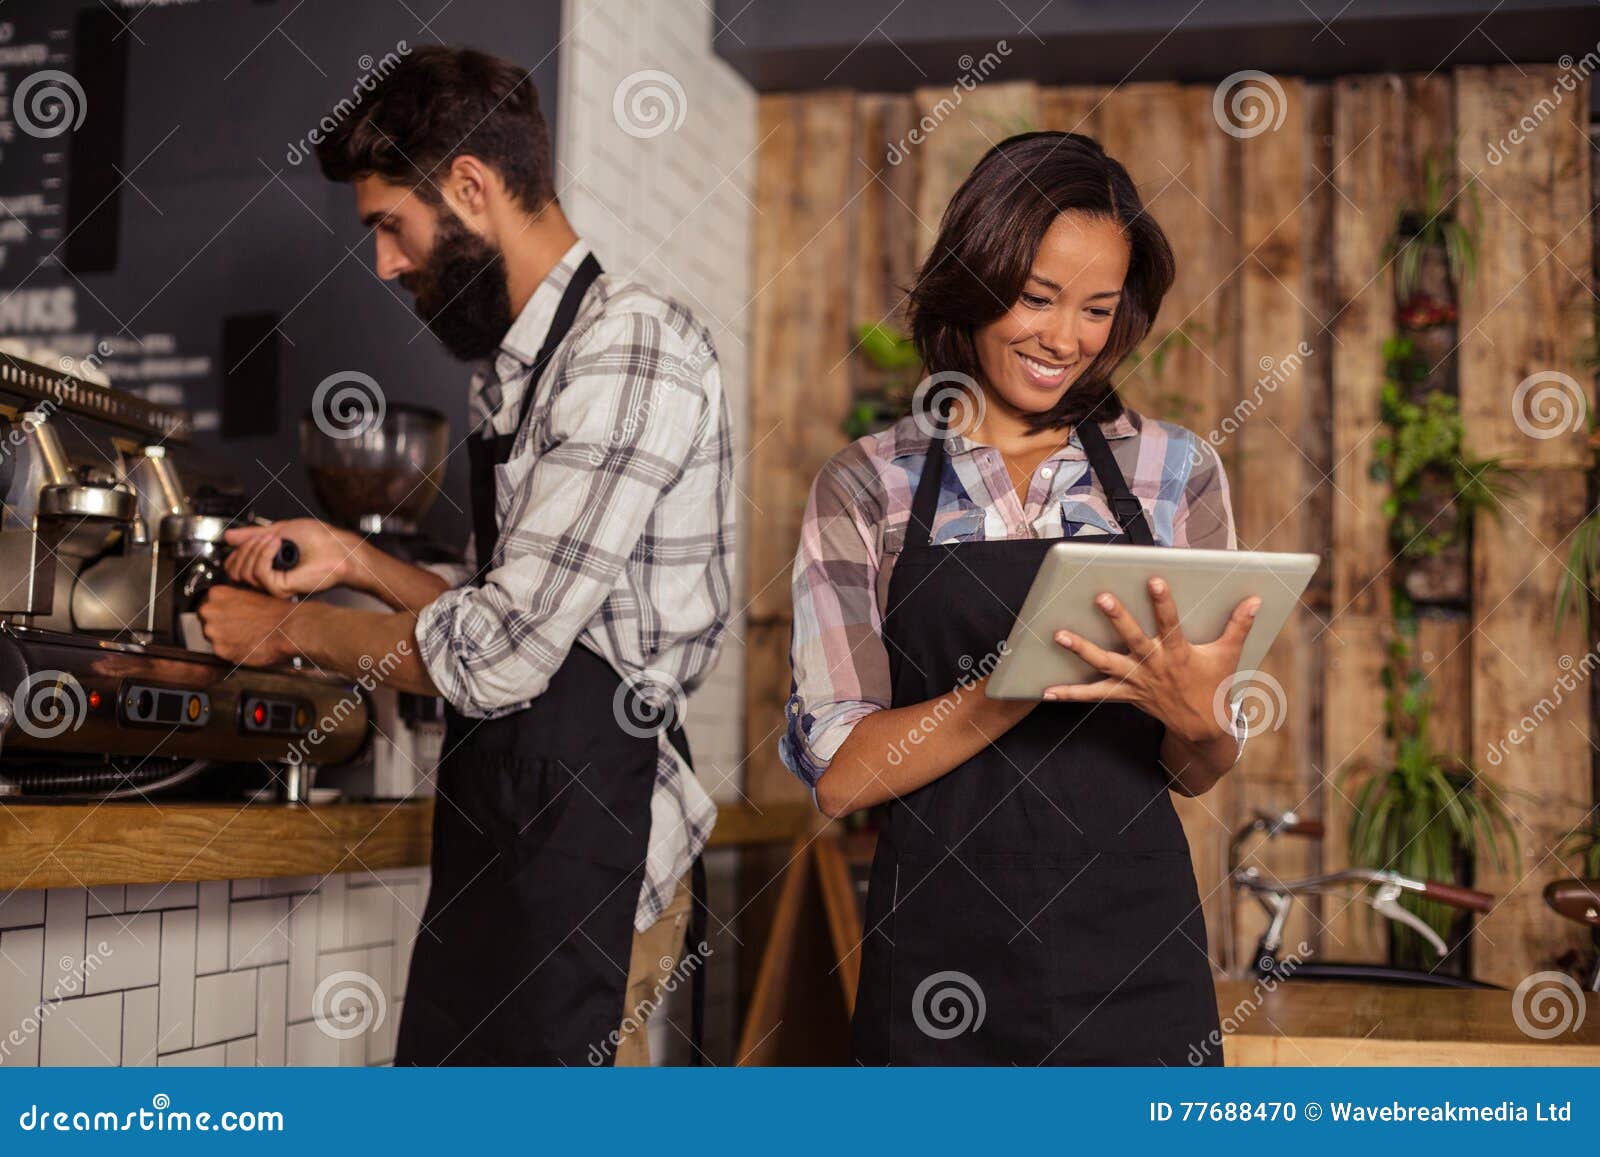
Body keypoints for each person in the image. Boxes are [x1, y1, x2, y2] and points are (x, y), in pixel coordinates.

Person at [200, 46, 734, 1066]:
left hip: (594, 844)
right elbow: (508, 606)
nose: (385, 264)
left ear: (471, 188)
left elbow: (499, 653)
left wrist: (286, 631)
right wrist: (353, 558)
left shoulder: (628, 348)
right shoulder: (519, 371)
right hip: (510, 832)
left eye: (389, 225)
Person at [781, 132, 1258, 1065]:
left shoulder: (1176, 472)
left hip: (1135, 955)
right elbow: (841, 775)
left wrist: (1198, 721)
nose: (1064, 339)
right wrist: (1017, 681)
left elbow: (1201, 766)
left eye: (1097, 309)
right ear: (974, 276)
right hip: (938, 963)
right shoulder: (869, 484)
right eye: (1036, 297)